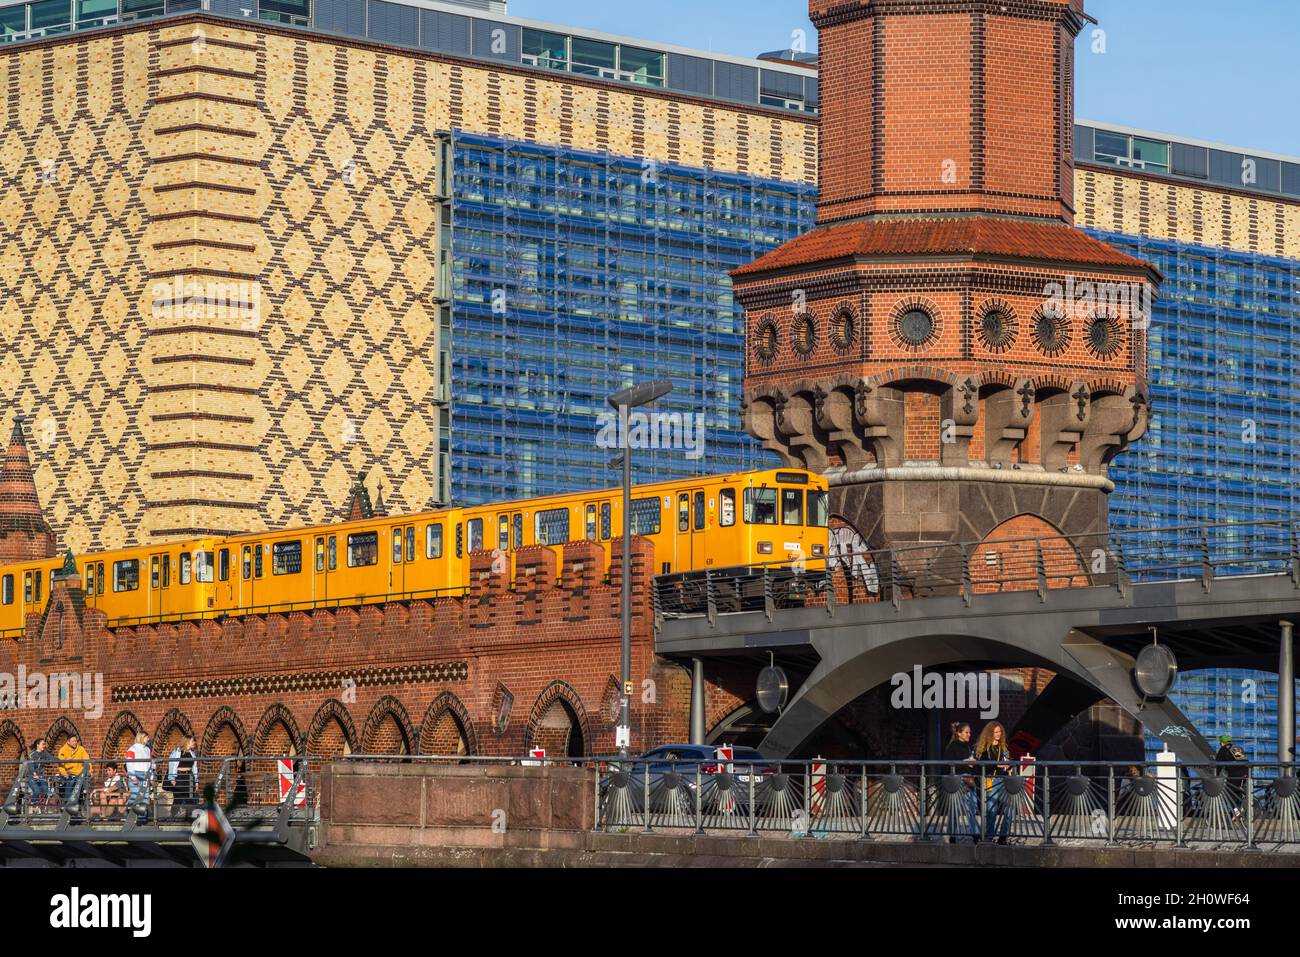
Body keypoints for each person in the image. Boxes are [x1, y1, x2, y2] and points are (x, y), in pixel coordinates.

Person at [974, 722, 1013, 844]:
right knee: (992, 809)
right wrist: (997, 764)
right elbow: (982, 765)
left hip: (1003, 779)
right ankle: (989, 837)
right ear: (990, 733)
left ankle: (1003, 836)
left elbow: (1008, 762)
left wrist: (1009, 766)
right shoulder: (984, 748)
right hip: (990, 779)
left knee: (1010, 806)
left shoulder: (1004, 748)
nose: (998, 734)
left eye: (1000, 732)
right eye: (996, 732)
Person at [941, 721, 978, 841]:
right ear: (959, 733)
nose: (969, 735)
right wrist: (964, 762)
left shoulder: (968, 747)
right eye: (966, 732)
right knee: (954, 809)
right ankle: (952, 835)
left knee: (972, 807)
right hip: (957, 781)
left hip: (968, 780)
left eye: (970, 732)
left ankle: (975, 835)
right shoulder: (952, 747)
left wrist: (971, 763)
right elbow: (947, 767)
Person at [1215, 734, 1249, 819]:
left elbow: (1217, 764)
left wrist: (1215, 775)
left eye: (1220, 743)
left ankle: (1236, 810)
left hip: (1235, 773)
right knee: (1236, 790)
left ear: (1222, 743)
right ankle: (1240, 807)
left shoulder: (1223, 749)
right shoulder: (1237, 747)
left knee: (1228, 791)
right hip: (1246, 771)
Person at [56, 734, 90, 807]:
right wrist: (64, 773)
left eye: (75, 741)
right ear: (68, 742)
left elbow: (87, 760)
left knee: (86, 783)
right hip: (69, 773)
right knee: (70, 782)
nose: (75, 742)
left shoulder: (81, 749)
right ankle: (67, 803)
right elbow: (60, 764)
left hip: (80, 773)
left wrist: (90, 771)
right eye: (73, 741)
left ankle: (85, 804)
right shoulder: (63, 750)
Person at [125, 732, 153, 808]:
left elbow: (150, 764)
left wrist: (151, 777)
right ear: (141, 737)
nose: (148, 739)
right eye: (146, 737)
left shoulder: (147, 749)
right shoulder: (132, 748)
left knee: (145, 798)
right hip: (136, 775)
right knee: (135, 797)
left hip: (146, 775)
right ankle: (128, 816)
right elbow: (129, 763)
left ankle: (142, 819)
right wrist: (133, 777)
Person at [26, 738, 55, 810]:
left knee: (46, 790)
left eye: (44, 744)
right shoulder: (32, 754)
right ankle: (32, 804)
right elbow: (30, 765)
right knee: (37, 791)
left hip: (41, 776)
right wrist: (34, 773)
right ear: (38, 745)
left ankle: (41, 806)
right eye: (43, 744)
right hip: (32, 777)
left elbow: (51, 757)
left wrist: (62, 761)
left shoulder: (44, 753)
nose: (44, 746)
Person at [172, 736, 198, 808]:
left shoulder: (192, 753)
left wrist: (196, 782)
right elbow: (172, 765)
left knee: (190, 798)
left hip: (189, 776)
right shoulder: (177, 752)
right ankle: (173, 817)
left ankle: (189, 817)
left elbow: (195, 768)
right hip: (179, 776)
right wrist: (172, 778)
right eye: (192, 741)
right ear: (187, 742)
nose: (194, 743)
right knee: (178, 798)